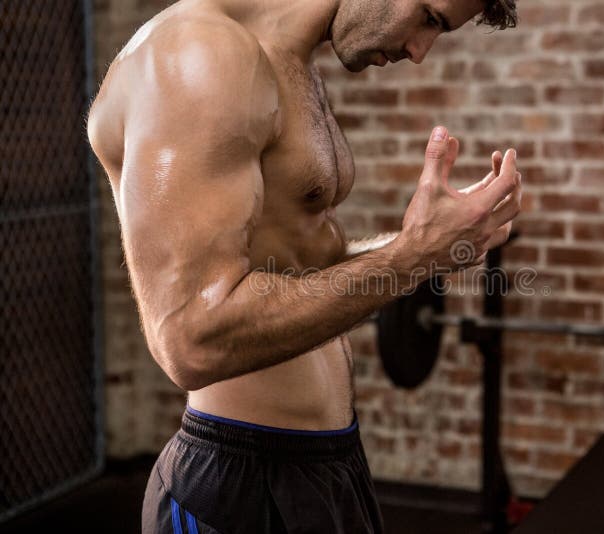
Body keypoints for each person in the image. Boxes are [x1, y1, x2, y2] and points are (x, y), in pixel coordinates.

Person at [87, 0, 520, 532]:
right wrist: (413, 256)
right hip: (240, 480)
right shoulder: (198, 56)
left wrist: (437, 244)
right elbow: (191, 337)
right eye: (429, 17)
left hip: (331, 466)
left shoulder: (292, 62)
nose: (419, 51)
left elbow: (303, 272)